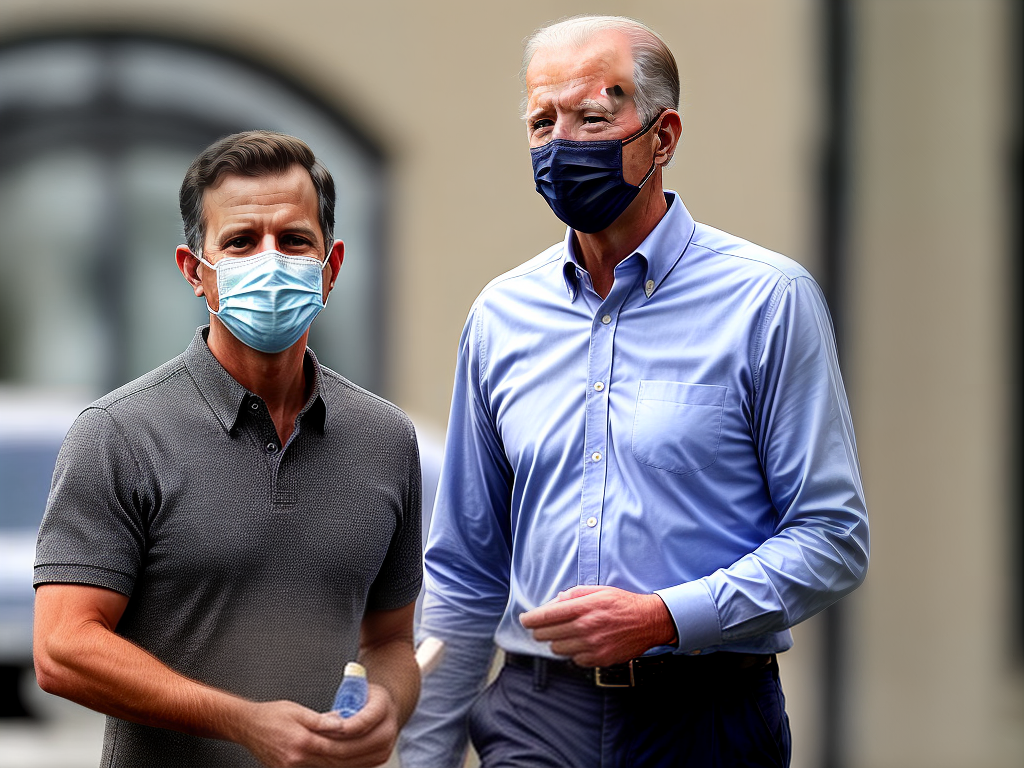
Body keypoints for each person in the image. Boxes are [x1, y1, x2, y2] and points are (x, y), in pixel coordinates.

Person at [399, 15, 868, 768]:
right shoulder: (499, 317)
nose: (562, 144)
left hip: (707, 716)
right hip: (536, 713)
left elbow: (832, 538)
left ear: (664, 135)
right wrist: (425, 756)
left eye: (593, 116)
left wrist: (664, 618)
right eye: (541, 121)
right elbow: (465, 568)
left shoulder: (768, 300)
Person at [33, 130, 422, 767]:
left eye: (294, 240)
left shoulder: (385, 438)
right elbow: (62, 647)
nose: (270, 260)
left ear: (332, 265)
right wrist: (241, 722)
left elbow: (390, 640)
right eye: (240, 242)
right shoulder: (120, 433)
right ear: (195, 271)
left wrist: (387, 705)